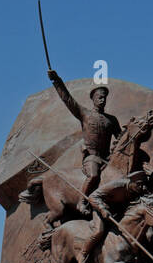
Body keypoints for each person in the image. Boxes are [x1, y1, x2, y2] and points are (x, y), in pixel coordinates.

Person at [49, 68, 122, 215]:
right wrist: (57, 81)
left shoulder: (112, 120)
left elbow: (121, 138)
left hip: (108, 159)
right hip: (92, 158)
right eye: (99, 97)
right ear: (93, 98)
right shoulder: (85, 114)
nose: (102, 99)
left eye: (104, 97)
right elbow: (68, 99)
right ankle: (82, 201)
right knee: (94, 176)